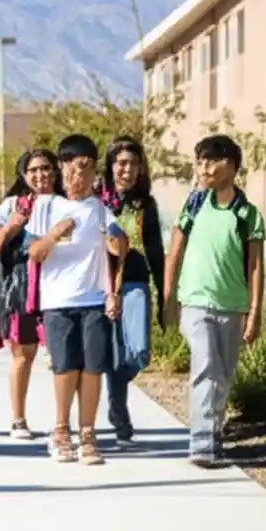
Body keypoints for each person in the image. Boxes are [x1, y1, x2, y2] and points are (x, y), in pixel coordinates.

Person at [163, 135, 265, 468]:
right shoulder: (194, 204)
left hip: (232, 306)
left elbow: (255, 267)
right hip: (194, 301)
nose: (203, 167)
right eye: (200, 161)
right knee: (205, 366)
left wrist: (254, 314)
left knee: (223, 375)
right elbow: (174, 253)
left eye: (211, 161)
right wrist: (168, 297)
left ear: (232, 167)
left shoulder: (247, 214)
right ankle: (202, 442)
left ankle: (214, 428)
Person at [28, 134, 128, 465]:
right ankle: (60, 430)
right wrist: (56, 233)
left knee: (92, 369)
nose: (77, 175)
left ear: (94, 171)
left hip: (94, 300)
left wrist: (114, 288)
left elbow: (119, 249)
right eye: (71, 167)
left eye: (85, 167)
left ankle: (88, 433)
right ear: (61, 169)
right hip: (57, 301)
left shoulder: (99, 209)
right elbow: (35, 254)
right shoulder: (46, 206)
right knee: (65, 367)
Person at [98, 138, 165, 448]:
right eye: (121, 163)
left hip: (136, 284)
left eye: (133, 163)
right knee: (113, 351)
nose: (127, 169)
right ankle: (120, 415)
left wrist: (165, 295)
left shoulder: (145, 206)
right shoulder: (97, 203)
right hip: (101, 286)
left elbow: (156, 252)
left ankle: (113, 391)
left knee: (137, 353)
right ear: (110, 167)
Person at [0, 149, 62, 440]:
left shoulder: (65, 203)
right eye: (32, 170)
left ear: (55, 171)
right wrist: (12, 226)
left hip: (60, 282)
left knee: (63, 355)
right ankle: (18, 419)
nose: (40, 175)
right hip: (22, 285)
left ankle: (63, 423)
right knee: (24, 353)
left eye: (45, 168)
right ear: (23, 174)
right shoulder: (11, 205)